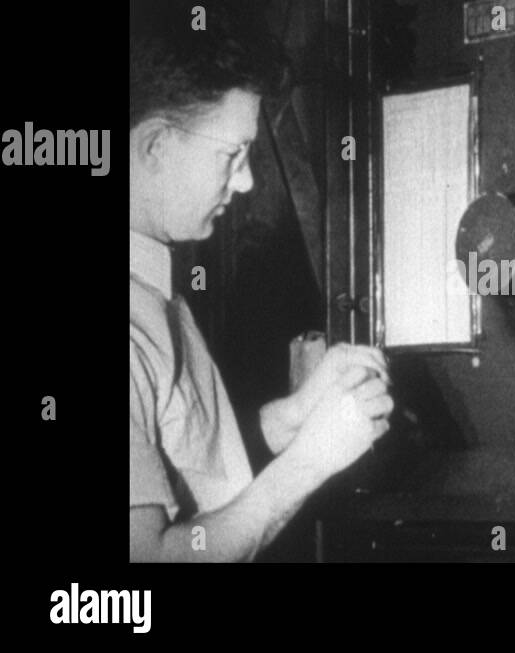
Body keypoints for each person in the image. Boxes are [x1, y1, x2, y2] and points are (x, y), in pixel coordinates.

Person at [129, 0, 393, 562]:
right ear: (155, 146)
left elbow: (178, 466)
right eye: (232, 155)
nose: (246, 181)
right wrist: (308, 462)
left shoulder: (152, 287)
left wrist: (292, 418)